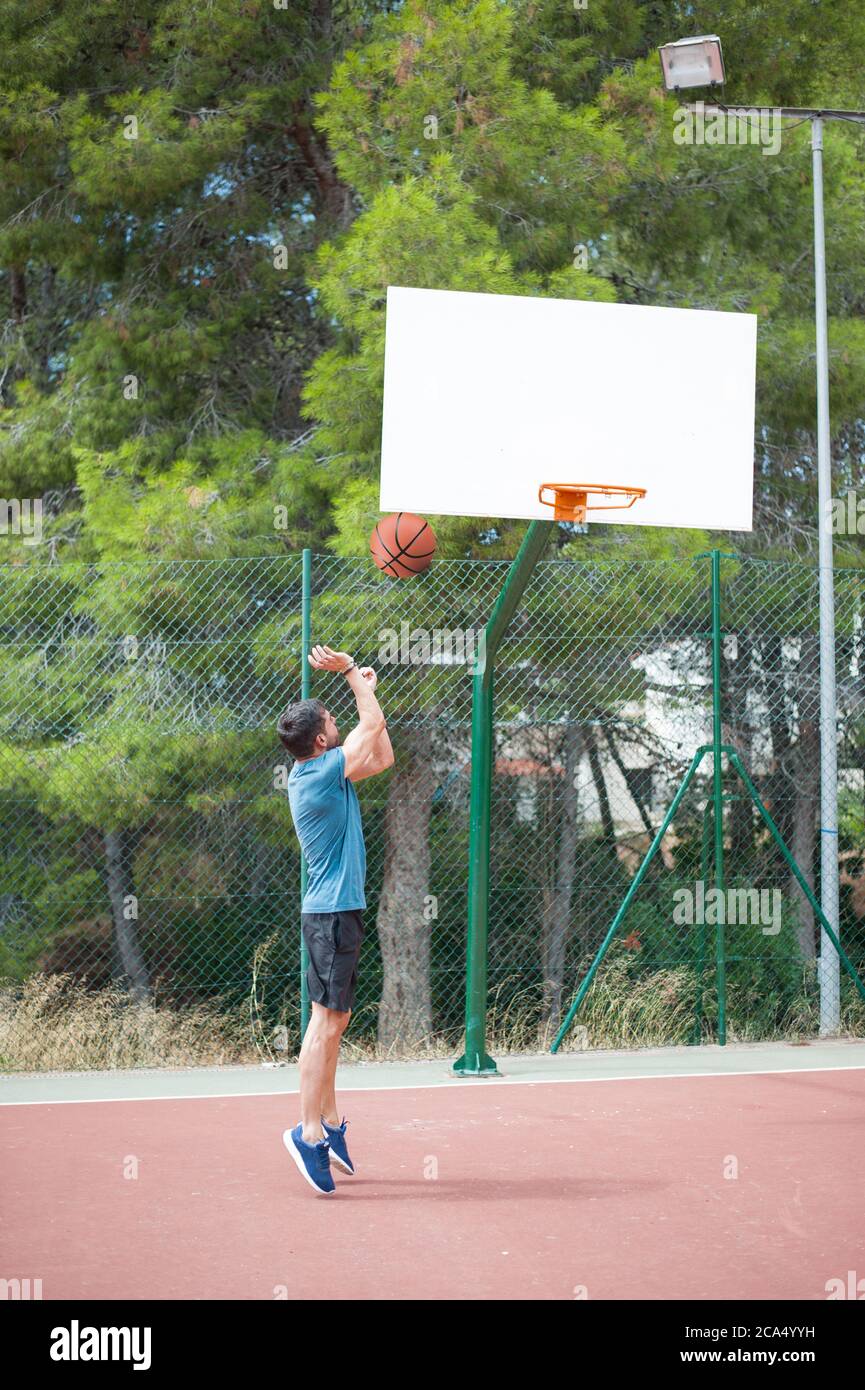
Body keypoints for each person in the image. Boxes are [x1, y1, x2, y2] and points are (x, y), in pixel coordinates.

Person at [276, 644, 393, 1195]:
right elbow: (371, 725)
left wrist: (366, 690)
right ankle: (306, 1132)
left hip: (339, 912)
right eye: (330, 720)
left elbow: (381, 753)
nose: (336, 721)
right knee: (323, 1023)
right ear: (321, 740)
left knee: (336, 1021)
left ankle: (328, 1120)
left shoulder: (324, 770)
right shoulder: (320, 774)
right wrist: (350, 672)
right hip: (329, 916)